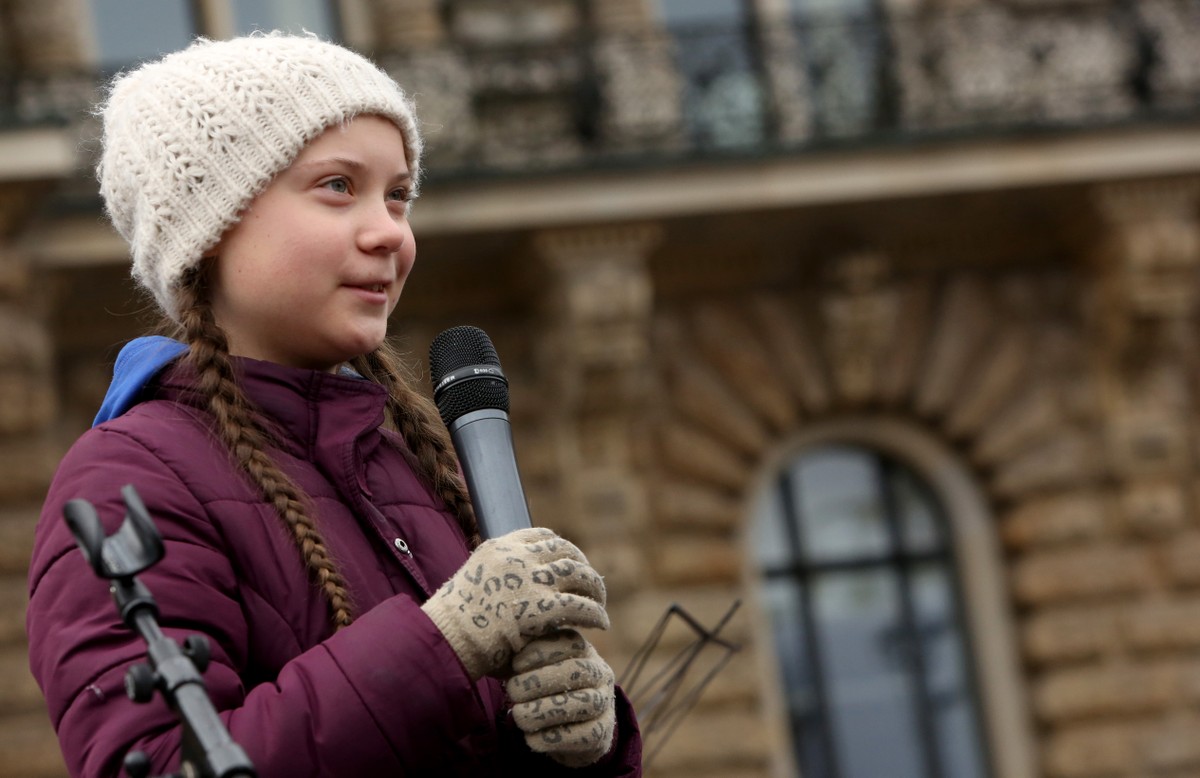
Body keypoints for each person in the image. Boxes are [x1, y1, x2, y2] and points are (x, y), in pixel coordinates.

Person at [26, 32, 642, 777]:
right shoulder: (125, 482)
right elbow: (159, 764)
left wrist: (590, 740)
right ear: (213, 227)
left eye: (399, 194)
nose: (391, 233)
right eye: (339, 187)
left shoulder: (404, 458)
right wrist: (442, 642)